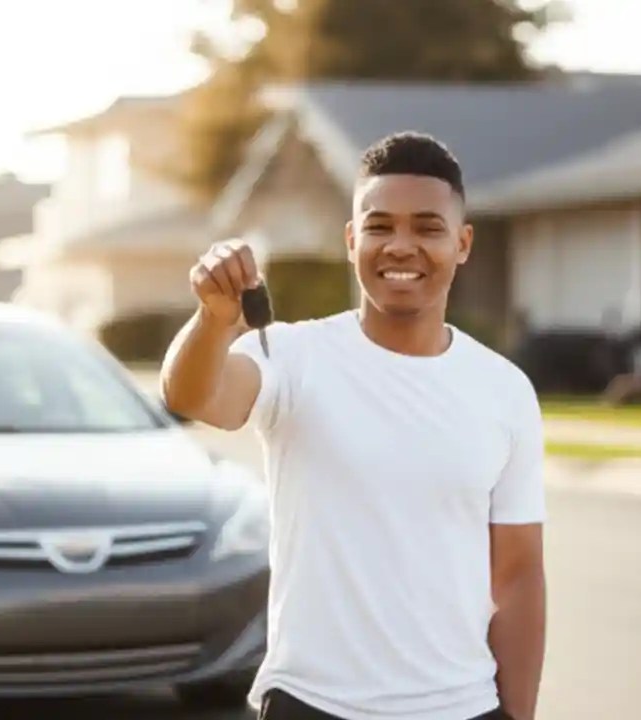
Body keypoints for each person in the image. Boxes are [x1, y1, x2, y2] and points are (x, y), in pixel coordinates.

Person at [160, 131, 547, 720]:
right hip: (314, 704)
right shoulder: (290, 356)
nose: (401, 245)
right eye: (380, 226)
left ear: (462, 243)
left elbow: (517, 575)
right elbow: (192, 395)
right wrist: (213, 323)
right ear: (351, 239)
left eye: (427, 227)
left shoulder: (504, 390)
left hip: (464, 707)